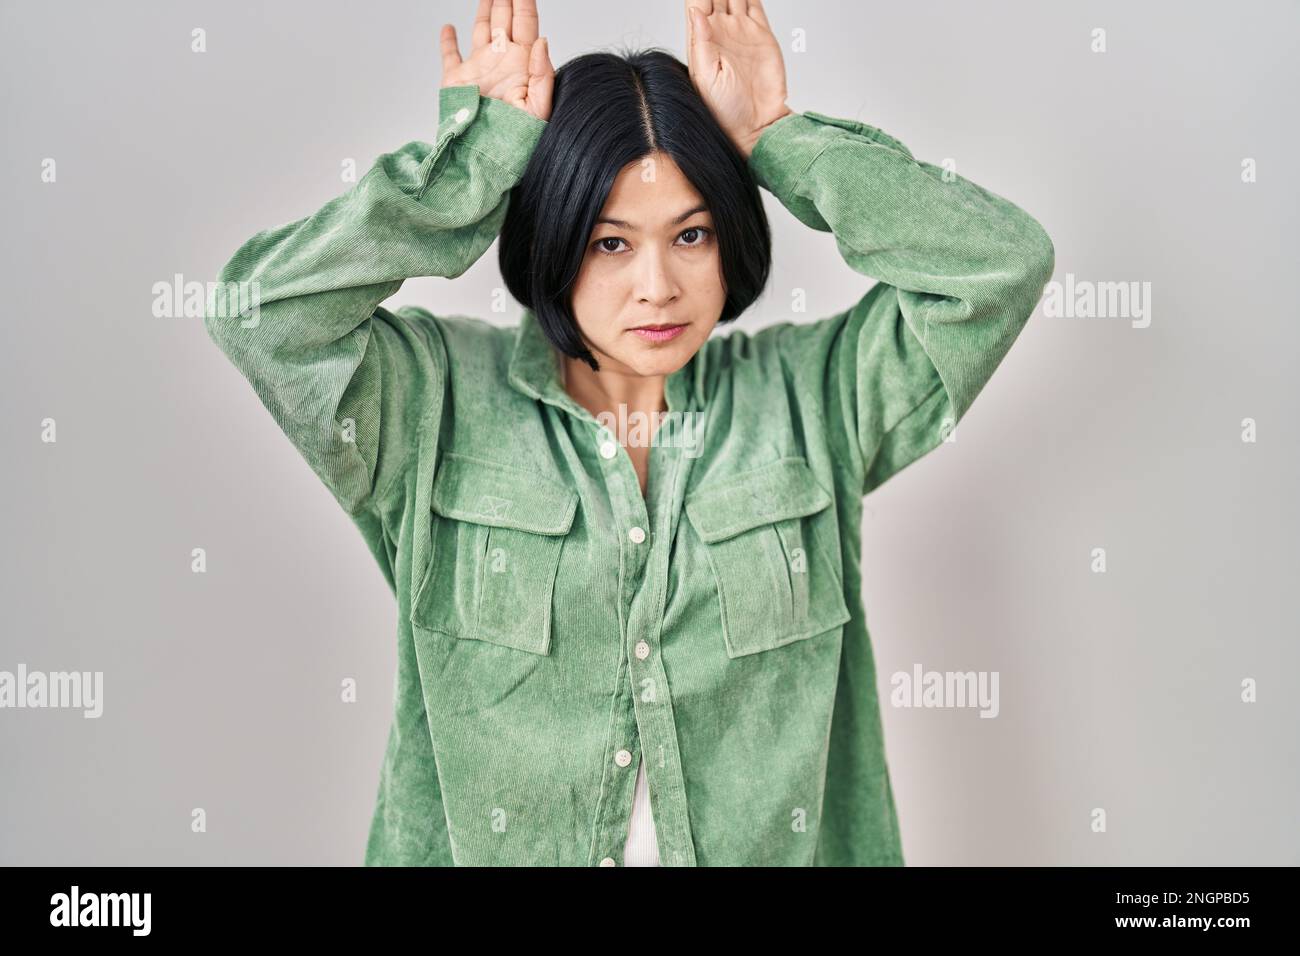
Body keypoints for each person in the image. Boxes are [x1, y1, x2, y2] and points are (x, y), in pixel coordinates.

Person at [203, 0, 1054, 866]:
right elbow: (262, 316)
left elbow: (997, 267)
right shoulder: (431, 401)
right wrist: (473, 168)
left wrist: (776, 137)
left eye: (692, 233)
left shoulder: (817, 397)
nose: (658, 286)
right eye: (611, 243)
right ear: (556, 240)